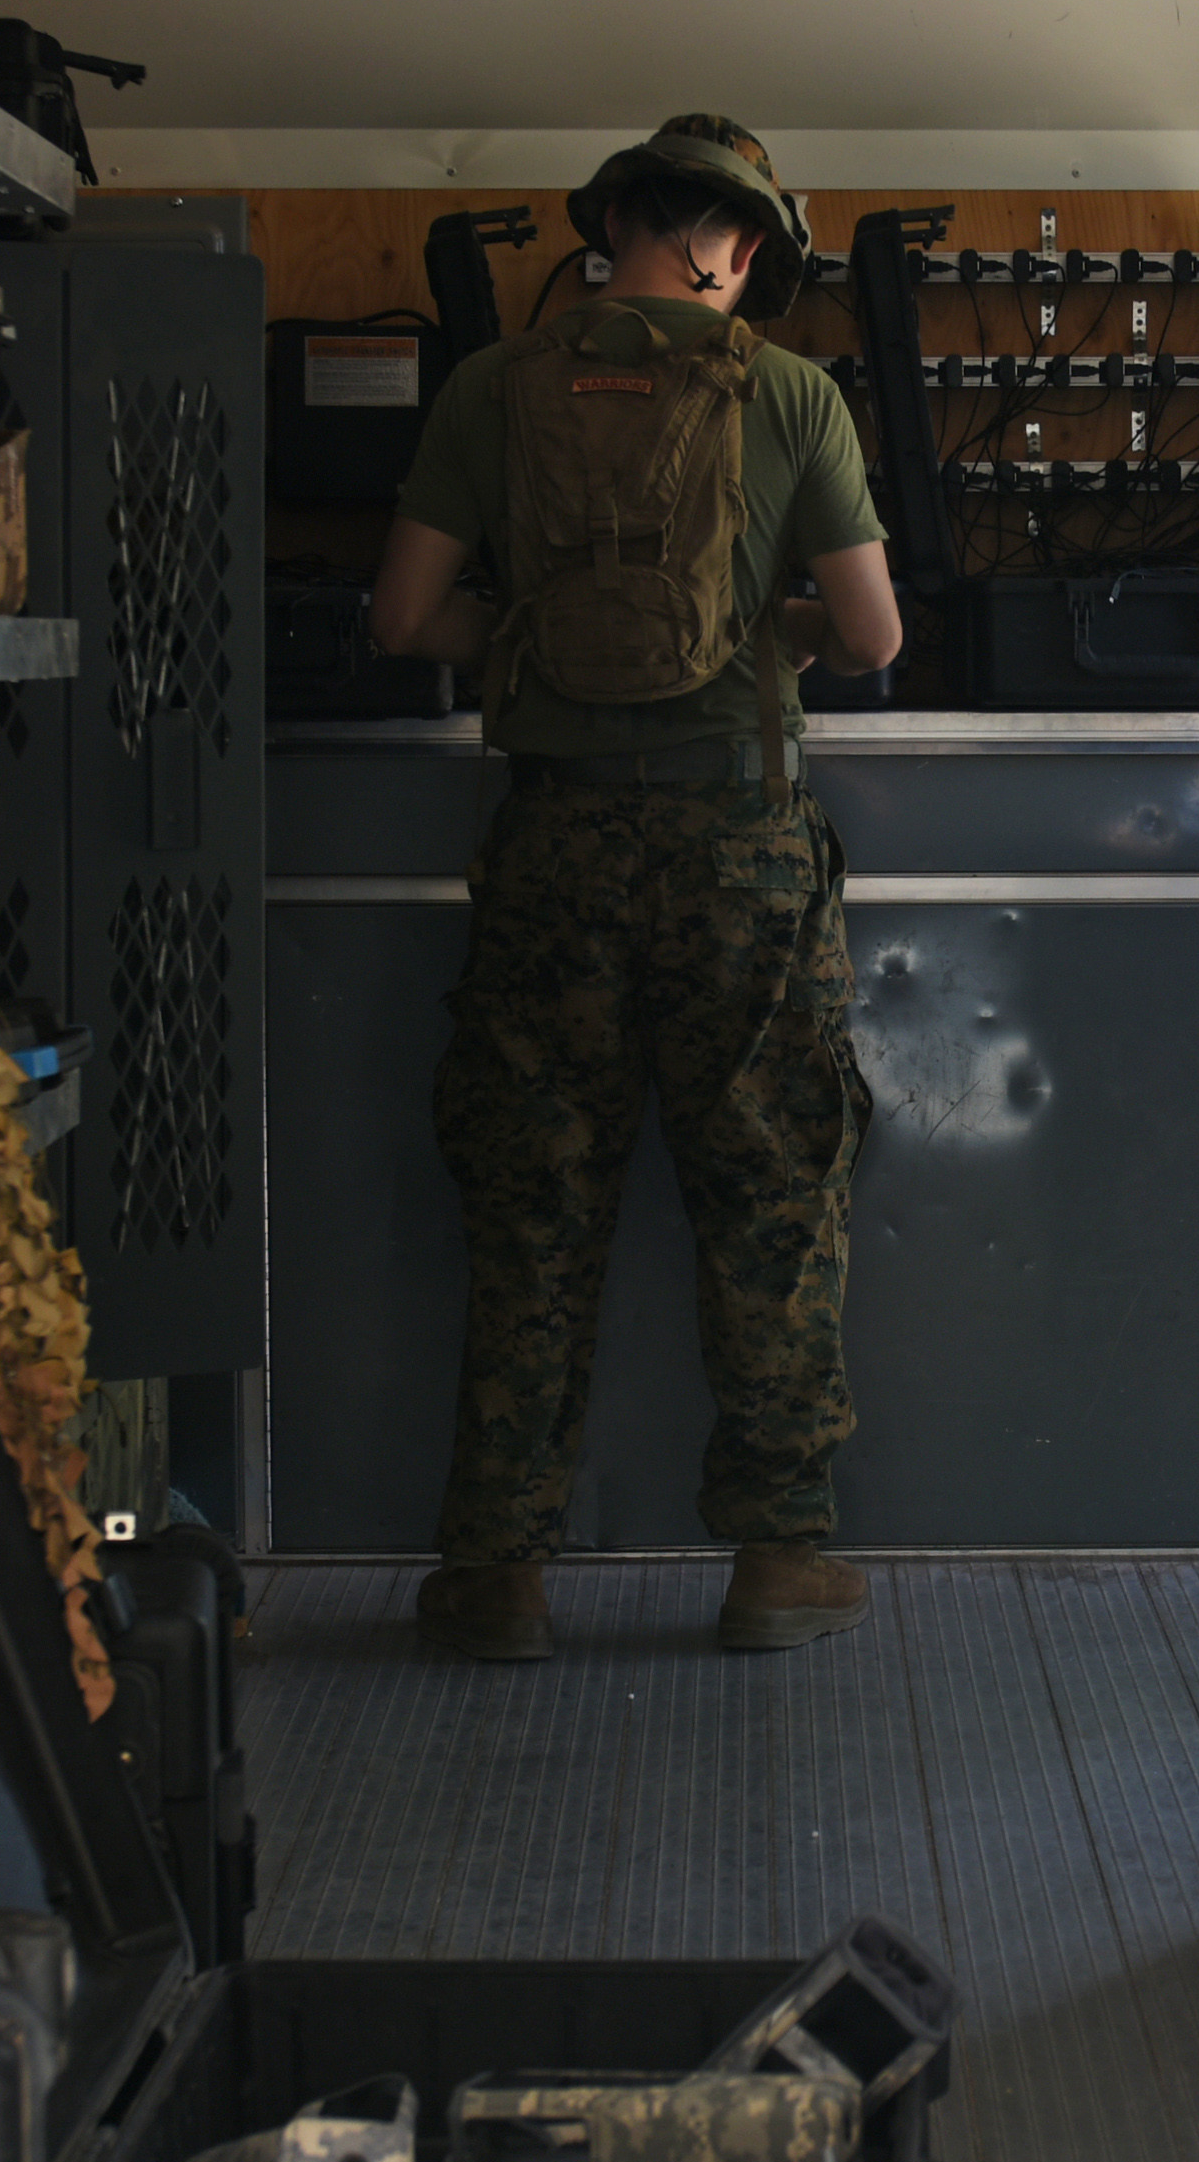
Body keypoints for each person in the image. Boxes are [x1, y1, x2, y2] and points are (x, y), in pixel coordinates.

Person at [364, 116, 905, 1662]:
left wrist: (532, 638)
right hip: (738, 851)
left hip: (554, 849)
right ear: (731, 245)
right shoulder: (789, 394)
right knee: (771, 1196)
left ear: (621, 231)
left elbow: (406, 621)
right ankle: (780, 1560)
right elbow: (869, 640)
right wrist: (765, 638)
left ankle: (496, 1576)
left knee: (533, 1205)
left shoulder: (494, 386)